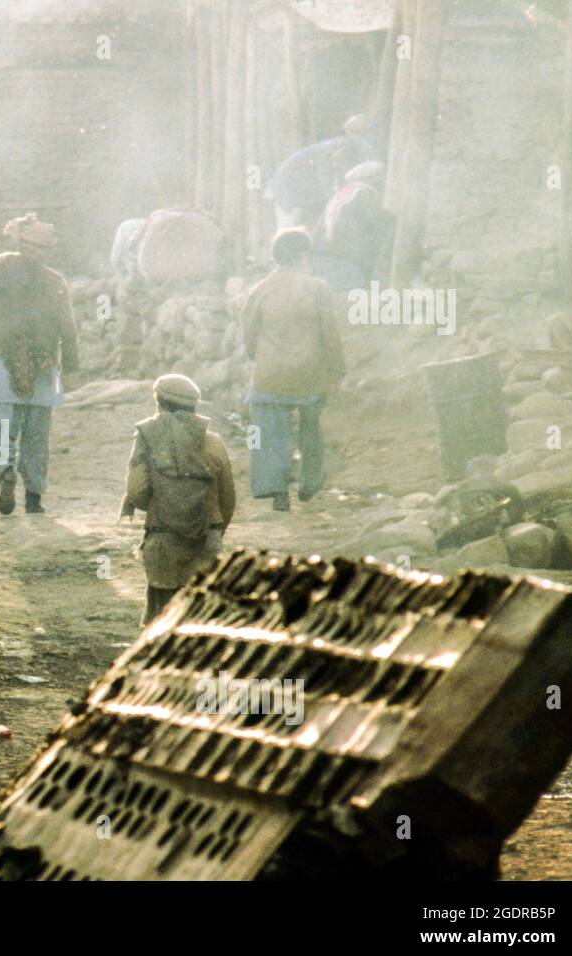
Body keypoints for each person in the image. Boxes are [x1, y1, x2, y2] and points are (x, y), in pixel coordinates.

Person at [0, 213, 80, 515]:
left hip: (3, 360)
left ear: (18, 242)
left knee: (2, 426)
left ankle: (4, 472)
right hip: (43, 365)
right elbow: (68, 328)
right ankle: (34, 498)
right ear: (47, 249)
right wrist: (70, 367)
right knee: (37, 433)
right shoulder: (56, 283)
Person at [241, 229, 347, 511]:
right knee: (311, 426)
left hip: (270, 376)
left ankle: (276, 491)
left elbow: (249, 337)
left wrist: (259, 357)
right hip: (309, 375)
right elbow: (330, 335)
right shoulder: (318, 287)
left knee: (269, 430)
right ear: (303, 255)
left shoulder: (259, 289)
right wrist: (337, 371)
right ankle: (309, 485)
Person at [121, 374, 235, 624]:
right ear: (194, 406)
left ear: (159, 402)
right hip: (208, 536)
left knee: (159, 619)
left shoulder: (147, 436)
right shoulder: (215, 442)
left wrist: (160, 502)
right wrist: (216, 530)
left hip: (163, 538)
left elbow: (136, 490)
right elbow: (228, 499)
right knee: (202, 617)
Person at [312, 161, 393, 290]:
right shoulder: (366, 192)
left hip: (322, 257)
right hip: (346, 262)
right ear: (374, 179)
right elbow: (379, 226)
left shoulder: (340, 195)